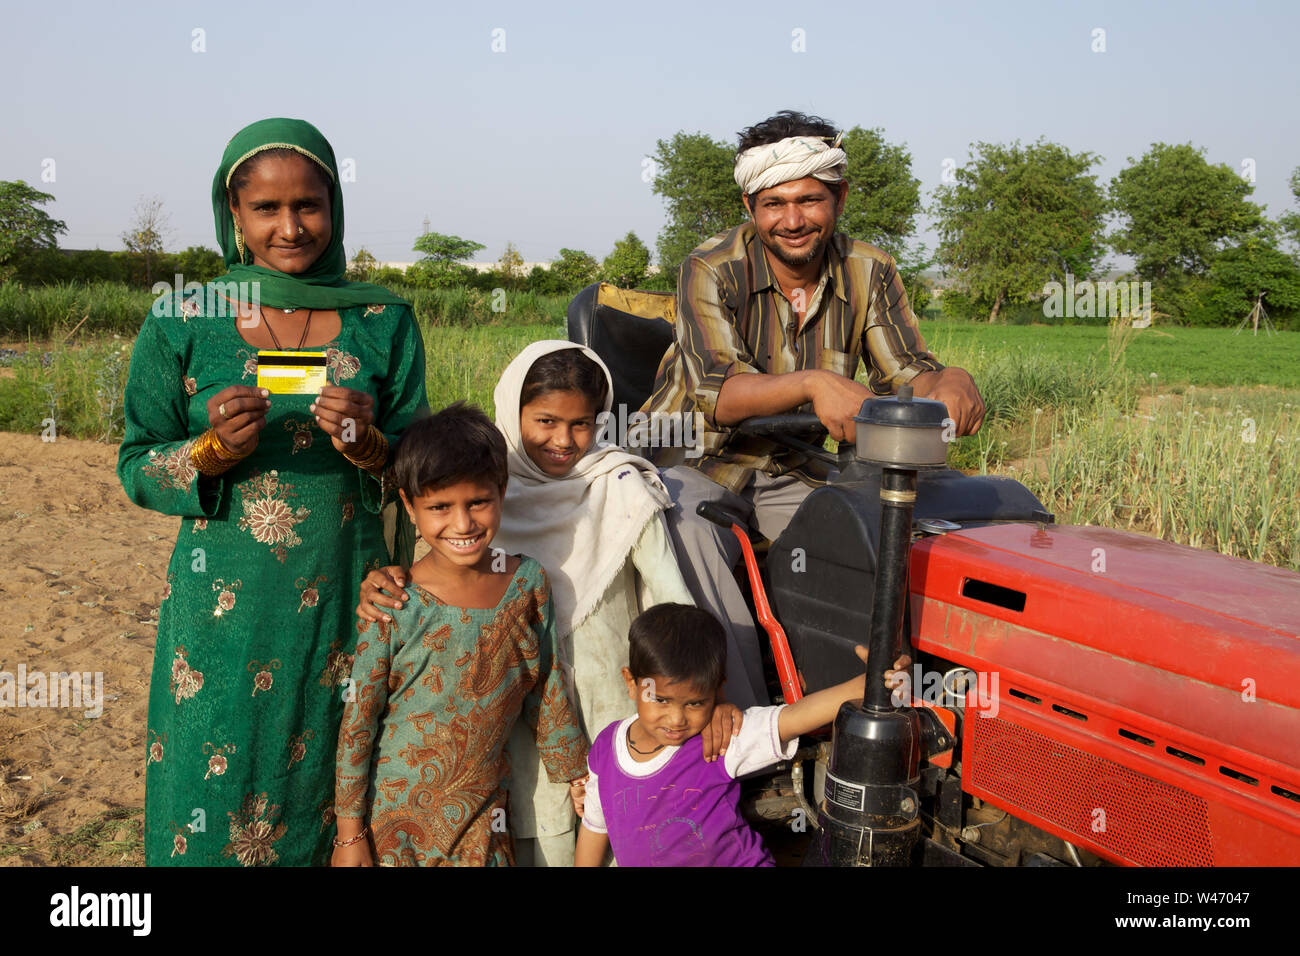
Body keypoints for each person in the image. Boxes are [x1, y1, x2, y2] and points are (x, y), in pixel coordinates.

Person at [117, 117, 429, 866]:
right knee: (213, 762)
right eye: (267, 208)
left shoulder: (381, 319)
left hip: (347, 591)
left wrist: (371, 442)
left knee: (333, 760)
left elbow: (424, 467)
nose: (291, 227)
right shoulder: (183, 316)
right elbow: (135, 460)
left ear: (335, 206)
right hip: (221, 602)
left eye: (309, 205)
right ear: (234, 215)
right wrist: (209, 452)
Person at [642, 110, 986, 708]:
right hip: (689, 462)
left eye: (810, 200)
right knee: (688, 530)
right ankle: (748, 725)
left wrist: (951, 378)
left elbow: (907, 373)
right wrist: (815, 384)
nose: (793, 220)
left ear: (840, 197)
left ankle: (866, 709)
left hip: (791, 467)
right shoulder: (710, 267)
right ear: (750, 206)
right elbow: (716, 395)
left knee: (870, 537)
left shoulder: (868, 271)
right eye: (774, 203)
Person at [356, 341, 740, 866]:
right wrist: (383, 580)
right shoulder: (478, 486)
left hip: (614, 697)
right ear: (513, 413)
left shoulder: (620, 487)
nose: (564, 441)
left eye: (582, 423)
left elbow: (674, 603)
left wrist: (706, 696)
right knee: (539, 831)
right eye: (545, 421)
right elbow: (428, 568)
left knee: (616, 825)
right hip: (513, 716)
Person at [332, 403, 588, 866]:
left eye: (478, 502)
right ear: (409, 505)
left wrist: (576, 775)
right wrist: (350, 835)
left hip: (483, 818)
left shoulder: (527, 584)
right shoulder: (394, 600)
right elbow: (358, 721)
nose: (463, 524)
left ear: (502, 491)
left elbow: (546, 686)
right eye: (439, 507)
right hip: (396, 824)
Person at [574, 603, 909, 867]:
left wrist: (868, 686)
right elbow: (595, 826)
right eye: (660, 699)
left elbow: (794, 717)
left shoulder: (718, 738)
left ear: (718, 690)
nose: (677, 718)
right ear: (631, 682)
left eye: (695, 703)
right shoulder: (606, 748)